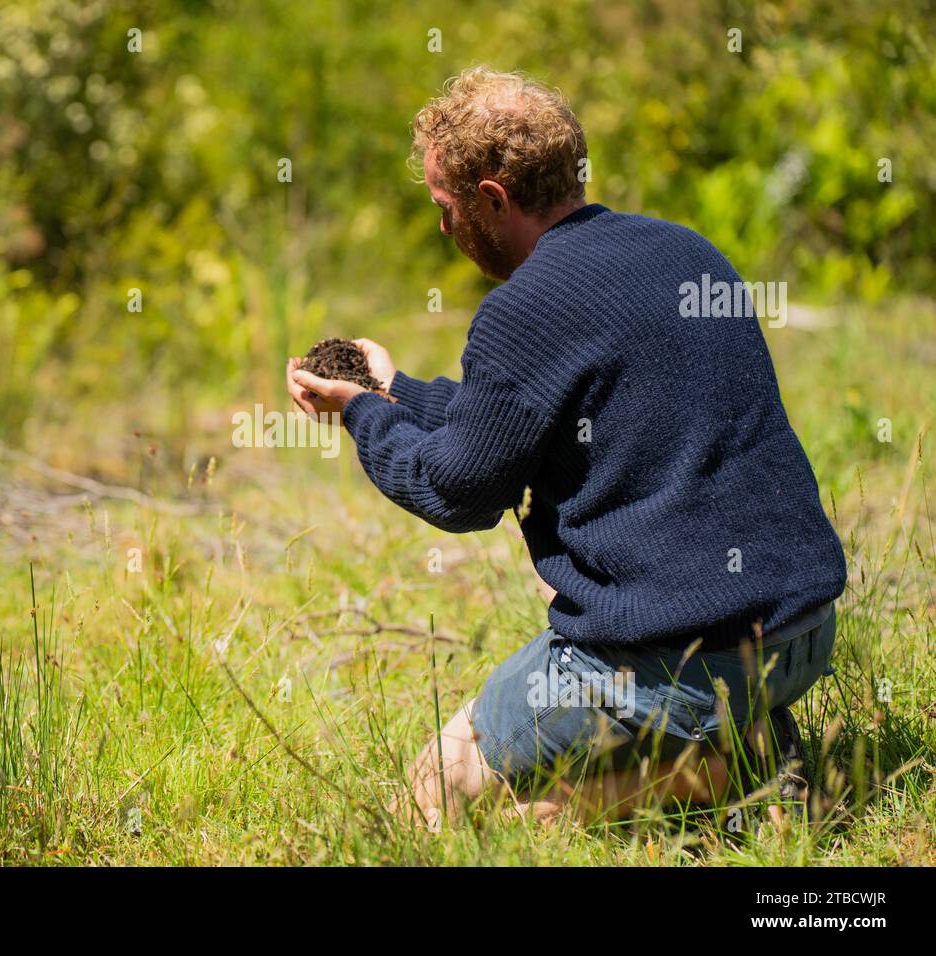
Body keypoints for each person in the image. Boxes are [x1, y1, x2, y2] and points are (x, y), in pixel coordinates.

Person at [286, 68, 846, 826]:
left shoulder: (525, 310)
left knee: (438, 793)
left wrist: (359, 416)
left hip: (686, 657)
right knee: (533, 796)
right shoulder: (687, 253)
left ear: (492, 199)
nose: (443, 229)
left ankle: (719, 773)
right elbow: (510, 424)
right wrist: (396, 390)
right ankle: (746, 763)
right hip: (802, 631)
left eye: (446, 209)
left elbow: (459, 493)